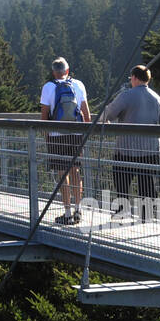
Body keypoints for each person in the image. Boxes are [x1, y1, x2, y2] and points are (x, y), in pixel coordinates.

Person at [102, 65, 160, 221]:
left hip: (127, 147)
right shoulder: (157, 98)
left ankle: (122, 210)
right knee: (147, 183)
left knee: (121, 179)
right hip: (150, 148)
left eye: (131, 78)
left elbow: (109, 114)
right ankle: (147, 216)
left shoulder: (126, 95)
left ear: (135, 78)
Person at [40, 57, 90, 224]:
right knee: (75, 170)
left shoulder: (48, 87)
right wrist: (84, 134)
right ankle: (78, 210)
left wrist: (46, 135)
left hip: (57, 135)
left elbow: (44, 115)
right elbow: (86, 113)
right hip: (76, 134)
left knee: (62, 173)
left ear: (54, 72)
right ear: (67, 71)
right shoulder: (78, 85)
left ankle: (67, 213)